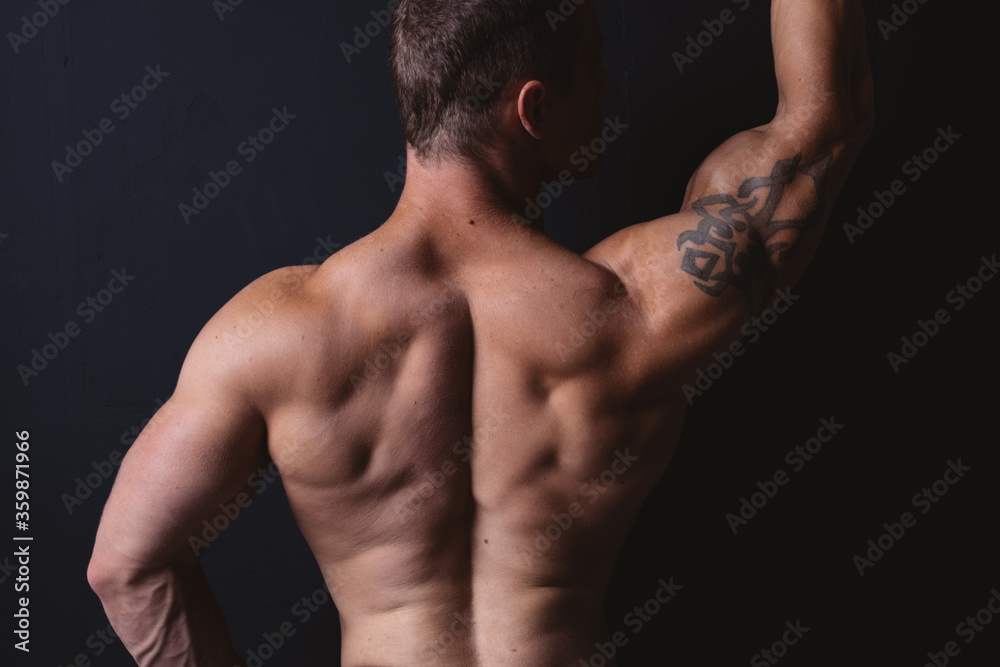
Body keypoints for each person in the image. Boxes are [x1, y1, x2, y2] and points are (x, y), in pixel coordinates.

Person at [87, 0, 874, 664]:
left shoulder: (278, 333)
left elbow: (127, 564)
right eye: (593, 65)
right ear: (531, 108)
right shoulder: (638, 310)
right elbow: (825, 118)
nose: (606, 84)